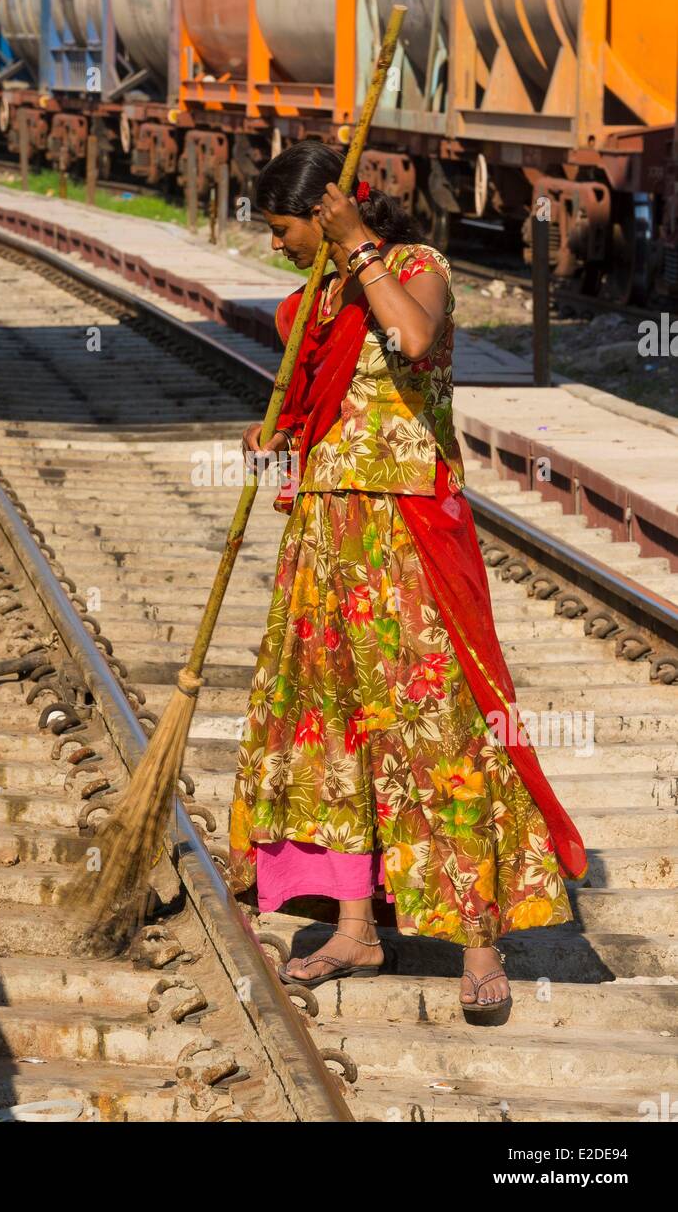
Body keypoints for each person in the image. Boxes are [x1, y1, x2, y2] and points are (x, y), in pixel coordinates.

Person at [227, 140, 588, 1022]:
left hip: (404, 538)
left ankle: (477, 937)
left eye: (284, 229)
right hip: (323, 537)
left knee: (441, 730)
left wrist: (357, 247)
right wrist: (273, 432)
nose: (276, 246)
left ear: (326, 212)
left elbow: (413, 338)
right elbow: (320, 404)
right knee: (334, 733)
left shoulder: (415, 268)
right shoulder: (312, 300)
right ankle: (355, 927)